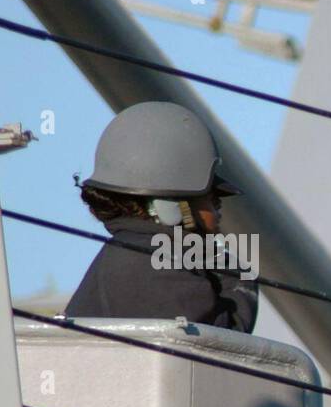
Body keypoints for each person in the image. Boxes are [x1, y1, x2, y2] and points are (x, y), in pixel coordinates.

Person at [64, 101, 257, 331]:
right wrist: (238, 276)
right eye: (212, 198)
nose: (218, 210)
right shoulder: (149, 261)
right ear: (175, 203)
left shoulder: (142, 252)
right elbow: (218, 346)